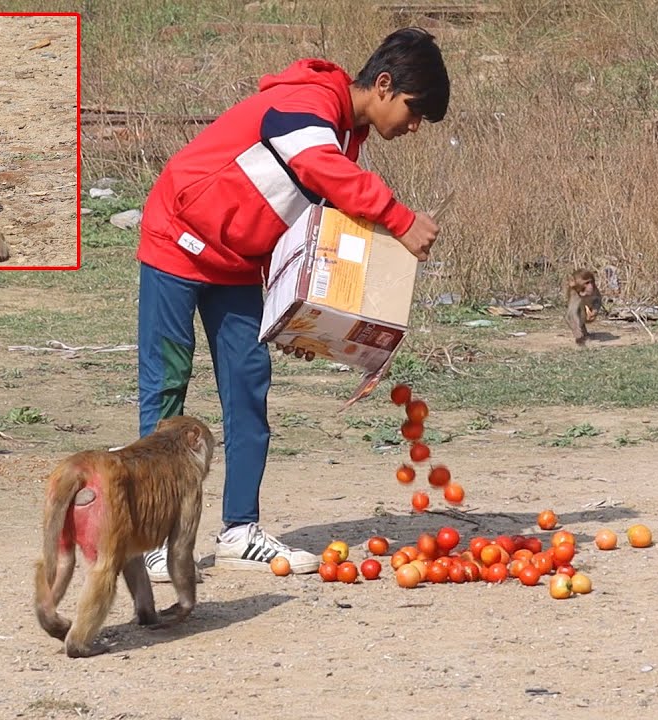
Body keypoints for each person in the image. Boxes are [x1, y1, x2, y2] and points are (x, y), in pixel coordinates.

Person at [136, 27, 450, 578]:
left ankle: (239, 531)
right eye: (415, 110)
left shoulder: (346, 141)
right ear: (383, 85)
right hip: (175, 241)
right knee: (166, 384)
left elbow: (313, 238)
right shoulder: (305, 103)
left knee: (248, 387)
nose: (415, 126)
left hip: (236, 264)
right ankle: (153, 537)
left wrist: (307, 322)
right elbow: (318, 168)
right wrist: (399, 218)